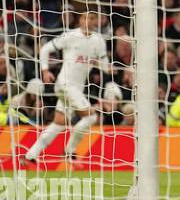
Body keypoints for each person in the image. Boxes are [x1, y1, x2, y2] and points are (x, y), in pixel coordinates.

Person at [23, 11, 118, 164]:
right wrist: (45, 70)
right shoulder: (70, 36)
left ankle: (30, 155)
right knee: (91, 116)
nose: (89, 21)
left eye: (93, 18)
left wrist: (110, 69)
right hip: (65, 84)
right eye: (86, 17)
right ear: (80, 19)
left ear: (97, 21)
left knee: (58, 123)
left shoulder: (99, 41)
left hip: (76, 90)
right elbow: (45, 49)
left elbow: (104, 65)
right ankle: (69, 152)